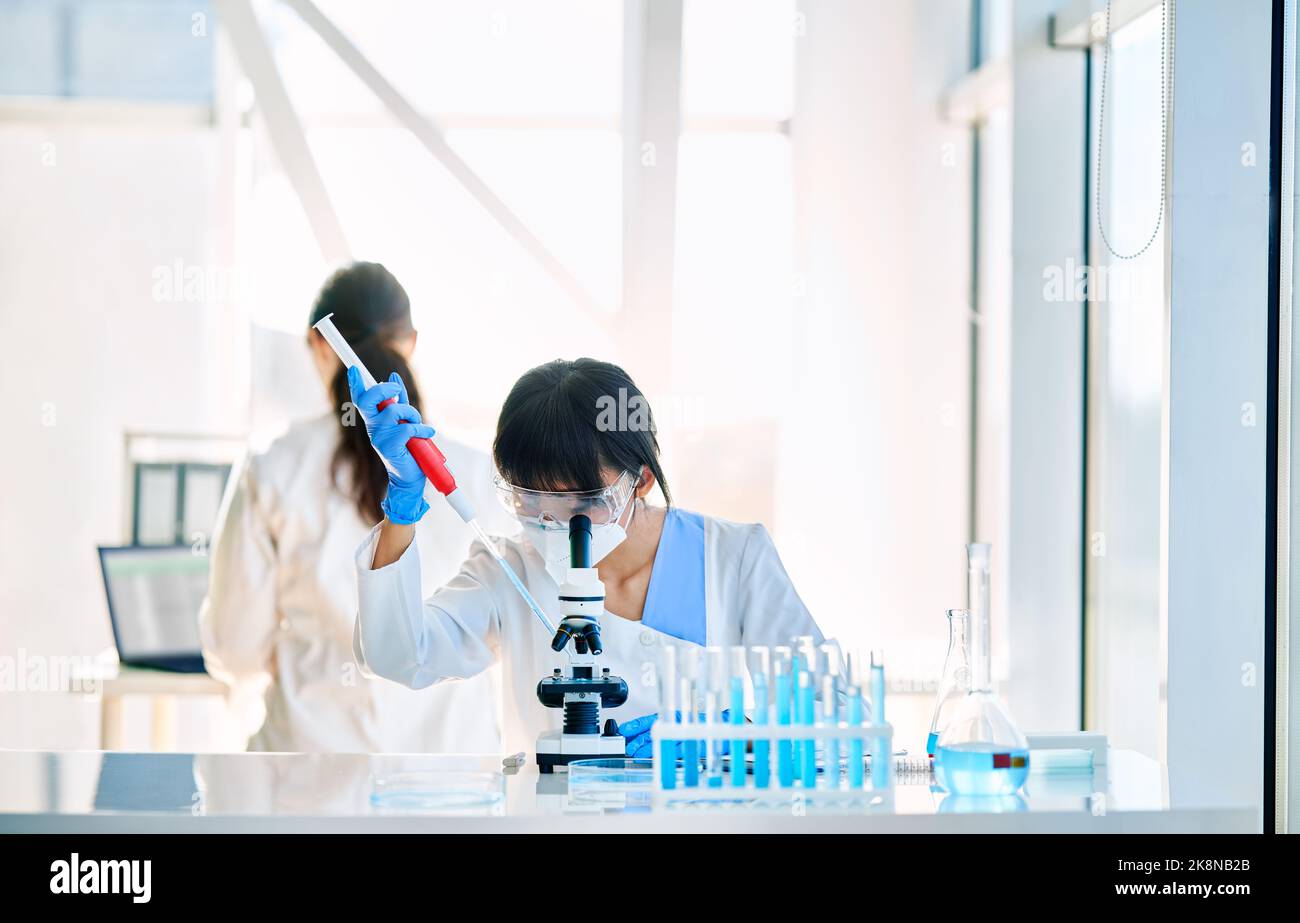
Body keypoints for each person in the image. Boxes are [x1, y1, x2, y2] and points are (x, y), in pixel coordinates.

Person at [350, 357, 824, 755]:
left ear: (640, 480)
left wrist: (734, 739)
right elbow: (400, 656)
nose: (553, 523)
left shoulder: (733, 558)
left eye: (580, 504)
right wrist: (402, 507)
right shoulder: (508, 567)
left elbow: (837, 718)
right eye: (530, 502)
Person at [199, 262, 507, 752]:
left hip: (312, 774)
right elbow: (505, 632)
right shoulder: (478, 474)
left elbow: (235, 647)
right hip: (451, 779)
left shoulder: (272, 467)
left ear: (319, 345)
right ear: (412, 342)